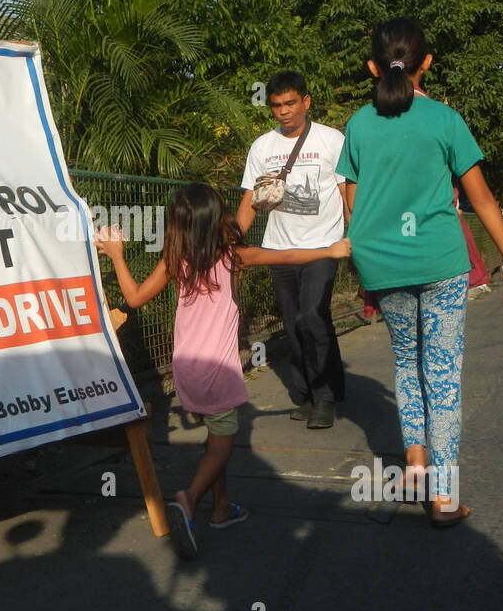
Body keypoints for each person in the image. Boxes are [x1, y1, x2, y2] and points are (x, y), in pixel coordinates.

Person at [338, 17, 503, 527]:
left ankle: (417, 467)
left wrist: (366, 257)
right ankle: (443, 499)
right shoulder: (446, 119)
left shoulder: (358, 125)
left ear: (371, 66)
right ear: (427, 62)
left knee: (407, 364)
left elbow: (351, 206)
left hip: (383, 265)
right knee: (441, 373)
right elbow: (482, 199)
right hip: (441, 262)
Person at [96, 184, 351, 557]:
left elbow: (134, 298)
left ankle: (221, 508)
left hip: (185, 368)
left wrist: (117, 255)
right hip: (218, 371)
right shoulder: (234, 258)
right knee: (222, 442)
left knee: (216, 435)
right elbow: (287, 256)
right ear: (218, 220)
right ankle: (189, 498)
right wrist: (330, 250)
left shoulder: (175, 260)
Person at [236, 71, 348, 429]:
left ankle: (325, 396)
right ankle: (304, 394)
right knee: (292, 323)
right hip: (278, 249)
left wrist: (356, 237)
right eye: (276, 105)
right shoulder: (262, 147)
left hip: (323, 247)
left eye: (290, 103)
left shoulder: (332, 140)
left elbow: (349, 193)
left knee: (313, 316)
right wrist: (231, 240)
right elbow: (250, 200)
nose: (284, 111)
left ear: (306, 102)